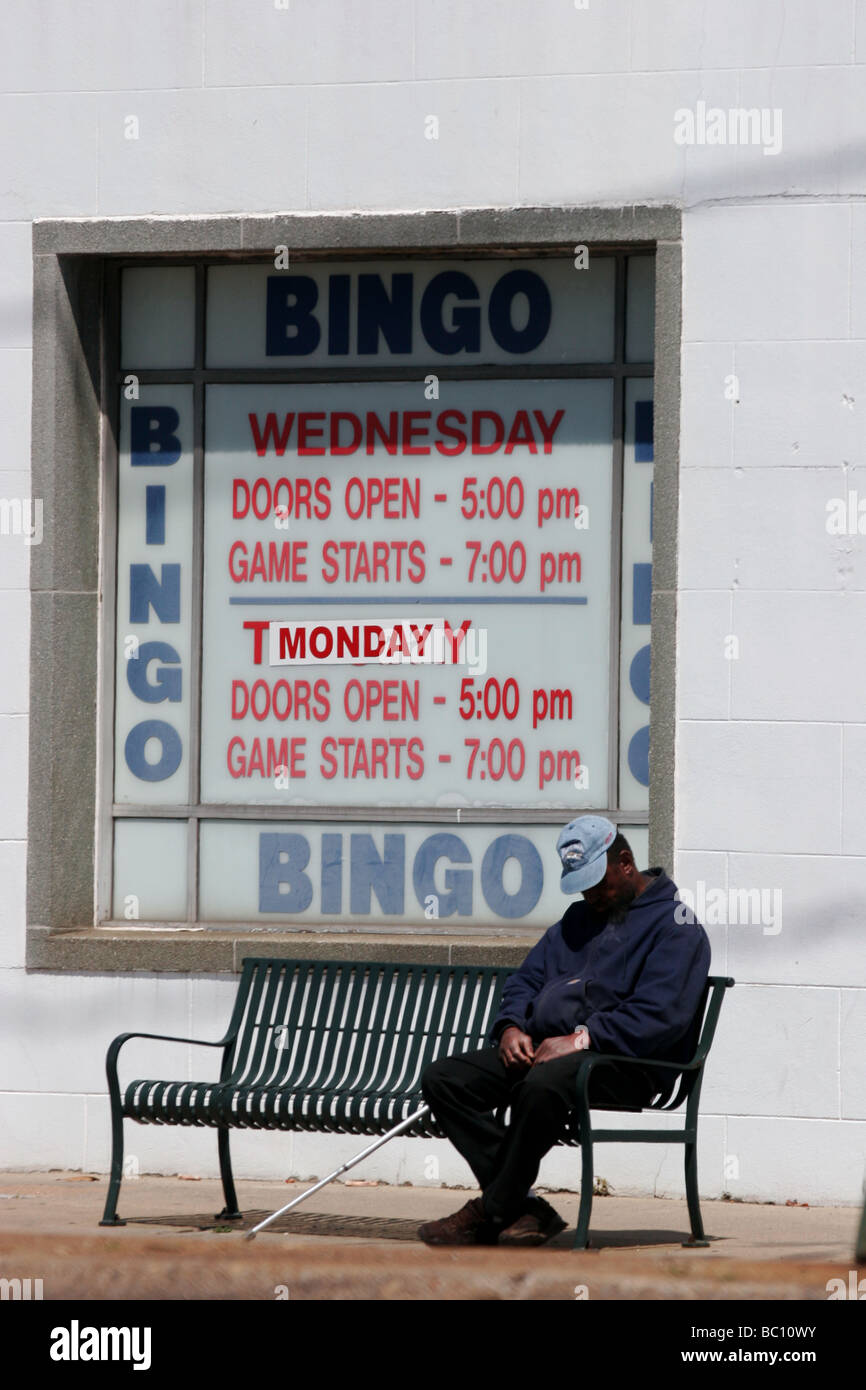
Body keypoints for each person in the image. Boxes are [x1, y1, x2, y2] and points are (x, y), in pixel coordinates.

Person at [418, 815, 711, 1246]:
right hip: (550, 1052)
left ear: (625, 862)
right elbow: (525, 980)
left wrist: (582, 1038)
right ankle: (522, 1206)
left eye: (598, 882)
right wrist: (511, 1026)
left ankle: (489, 1211)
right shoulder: (577, 919)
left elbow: (660, 1016)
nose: (590, 894)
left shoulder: (676, 927)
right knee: (446, 1079)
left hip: (626, 1061)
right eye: (581, 884)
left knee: (543, 1082)